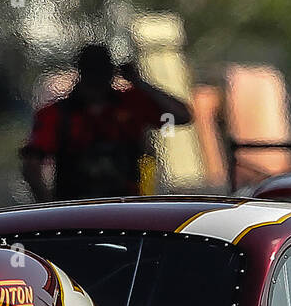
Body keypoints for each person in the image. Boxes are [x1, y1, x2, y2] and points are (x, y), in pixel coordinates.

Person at [21, 44, 193, 201]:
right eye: (92, 70)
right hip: (77, 208)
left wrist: (139, 83)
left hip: (127, 206)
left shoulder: (131, 104)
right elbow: (31, 165)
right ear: (81, 73)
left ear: (111, 71)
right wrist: (52, 207)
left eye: (101, 69)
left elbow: (181, 115)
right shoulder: (56, 115)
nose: (97, 78)